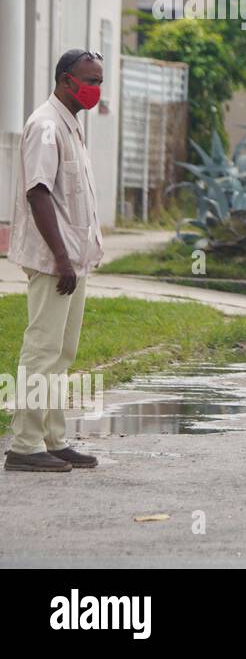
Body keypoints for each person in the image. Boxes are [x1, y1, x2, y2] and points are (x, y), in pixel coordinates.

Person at [4, 49, 106, 473]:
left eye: (99, 80)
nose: (96, 89)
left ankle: (53, 438)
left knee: (61, 354)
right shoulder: (46, 126)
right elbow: (38, 192)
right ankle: (24, 446)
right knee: (42, 351)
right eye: (89, 80)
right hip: (54, 262)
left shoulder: (70, 126)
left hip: (73, 261)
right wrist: (62, 258)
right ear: (66, 80)